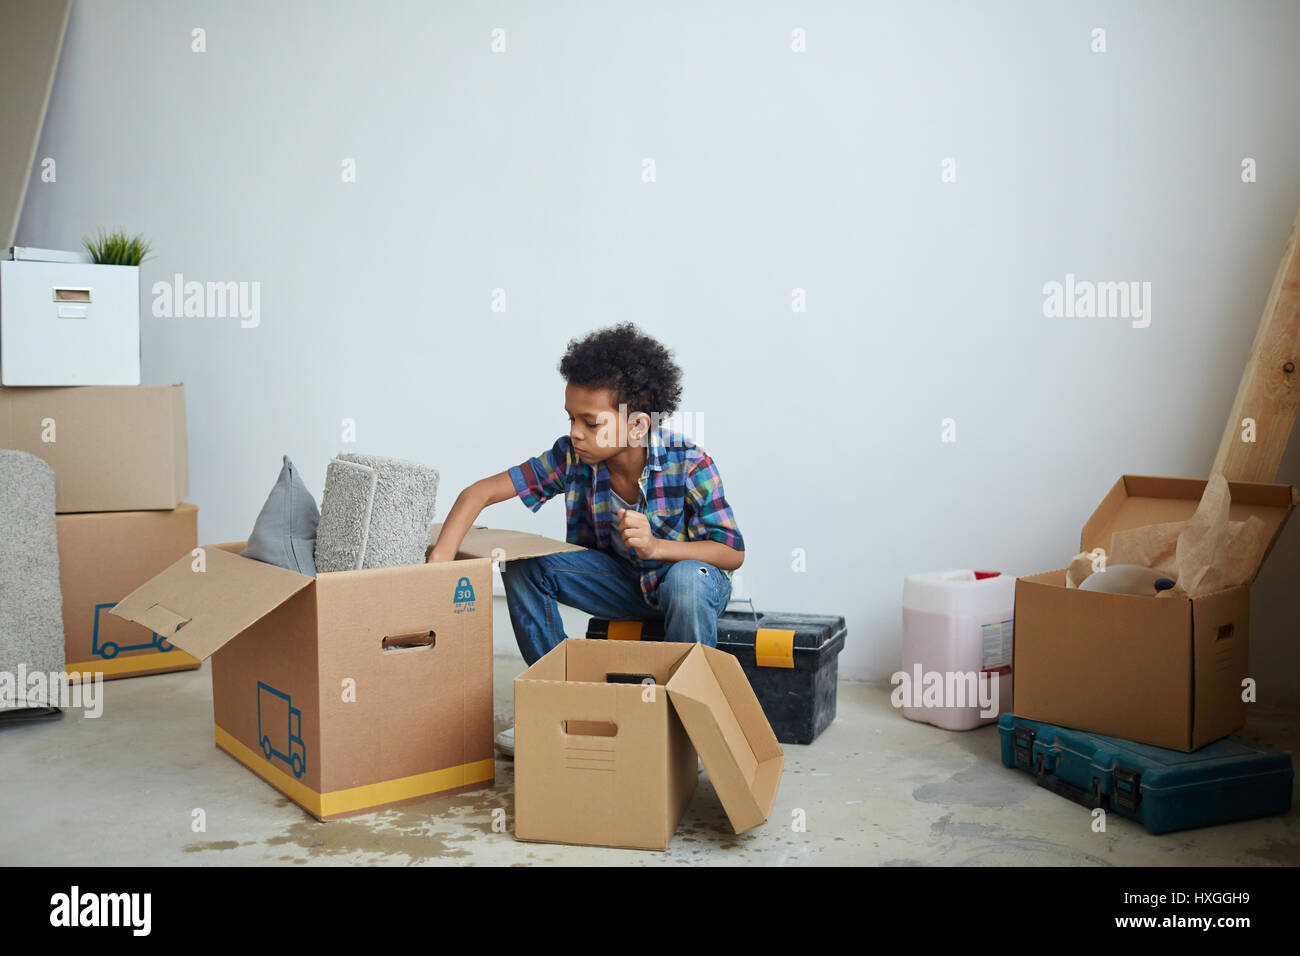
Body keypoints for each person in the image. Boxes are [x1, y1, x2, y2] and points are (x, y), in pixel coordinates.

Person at [427, 322, 745, 756]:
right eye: (571, 418)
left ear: (636, 427)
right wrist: (441, 561)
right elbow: (478, 493)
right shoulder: (571, 458)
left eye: (590, 423)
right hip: (624, 583)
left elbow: (731, 551)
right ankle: (561, 706)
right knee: (527, 565)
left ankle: (685, 721)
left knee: (686, 581)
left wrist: (657, 548)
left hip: (687, 585)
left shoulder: (689, 463)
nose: (576, 432)